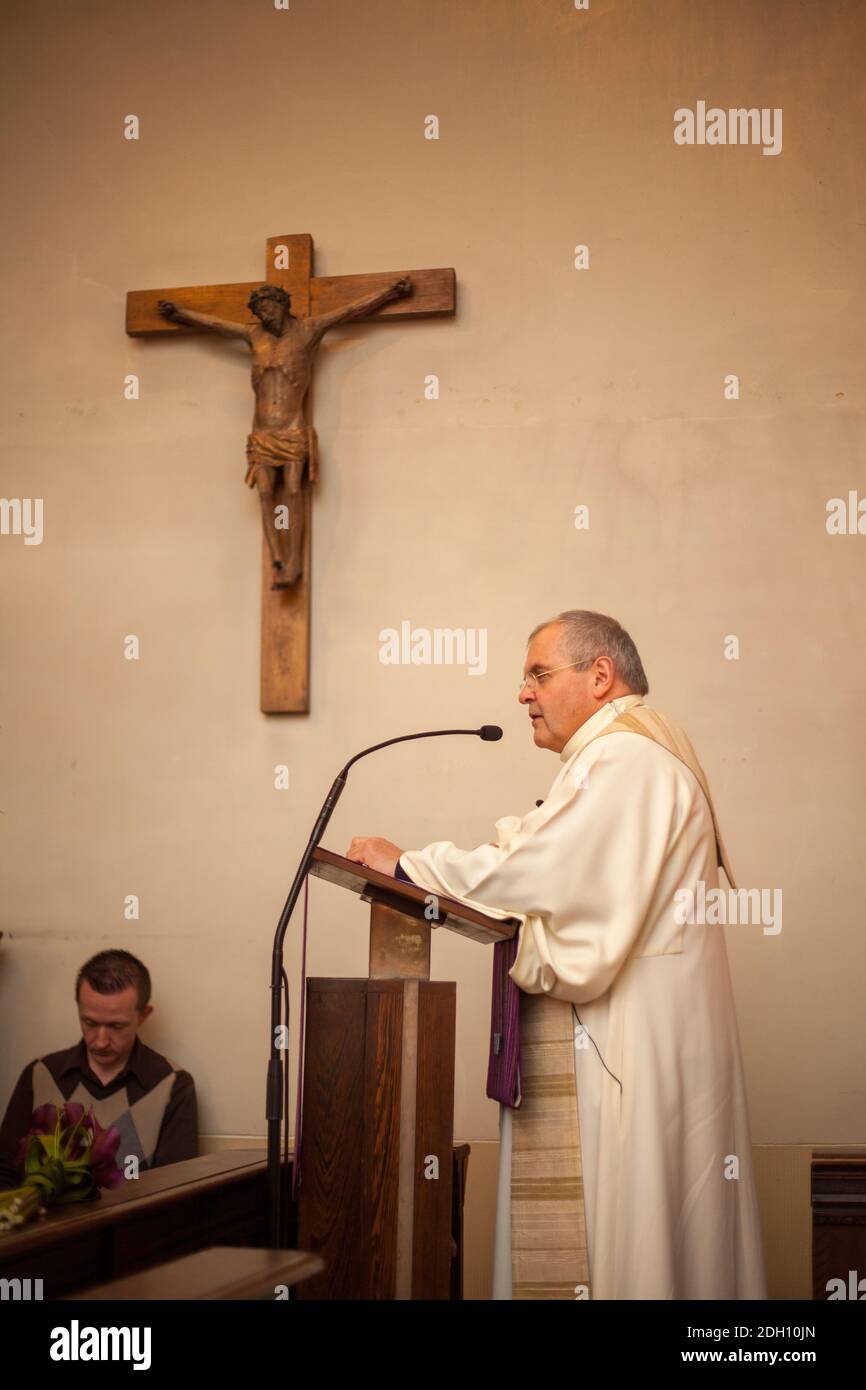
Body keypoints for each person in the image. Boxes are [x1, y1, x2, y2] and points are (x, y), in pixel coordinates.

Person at [347, 609, 768, 1300]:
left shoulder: (627, 757)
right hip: (645, 1042)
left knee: (630, 1246)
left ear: (600, 675)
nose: (523, 695)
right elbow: (552, 870)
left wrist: (410, 867)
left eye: (538, 675)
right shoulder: (627, 755)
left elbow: (544, 872)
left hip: (629, 1048)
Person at [0, 949, 197, 1189]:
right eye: (89, 1023)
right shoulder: (40, 1074)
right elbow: (5, 1173)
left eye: (116, 1026)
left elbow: (176, 1192)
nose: (101, 1041)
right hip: (43, 1224)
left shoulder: (172, 1085)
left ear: (144, 1015)